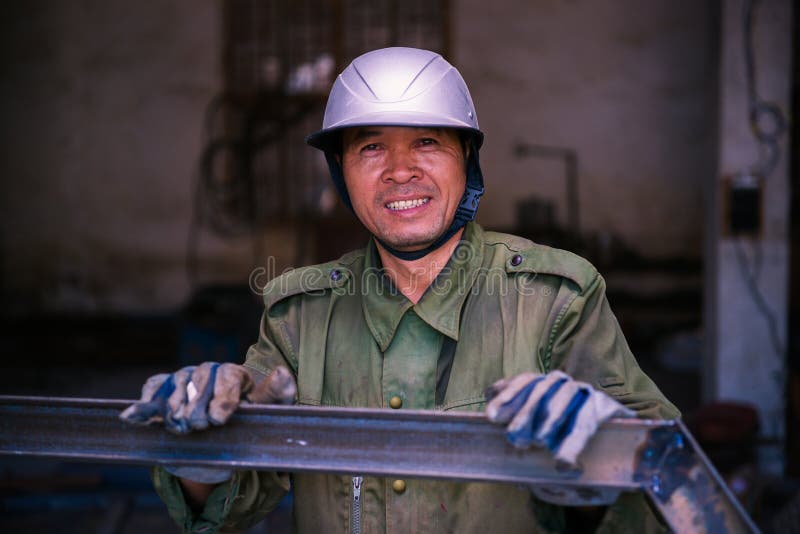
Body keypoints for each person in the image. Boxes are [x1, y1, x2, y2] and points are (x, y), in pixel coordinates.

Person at [122, 47, 679, 533]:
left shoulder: (557, 297)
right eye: (370, 148)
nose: (399, 170)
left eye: (428, 142)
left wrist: (594, 475)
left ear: (467, 160)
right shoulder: (300, 314)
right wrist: (202, 456)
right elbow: (233, 506)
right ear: (341, 172)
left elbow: (670, 492)